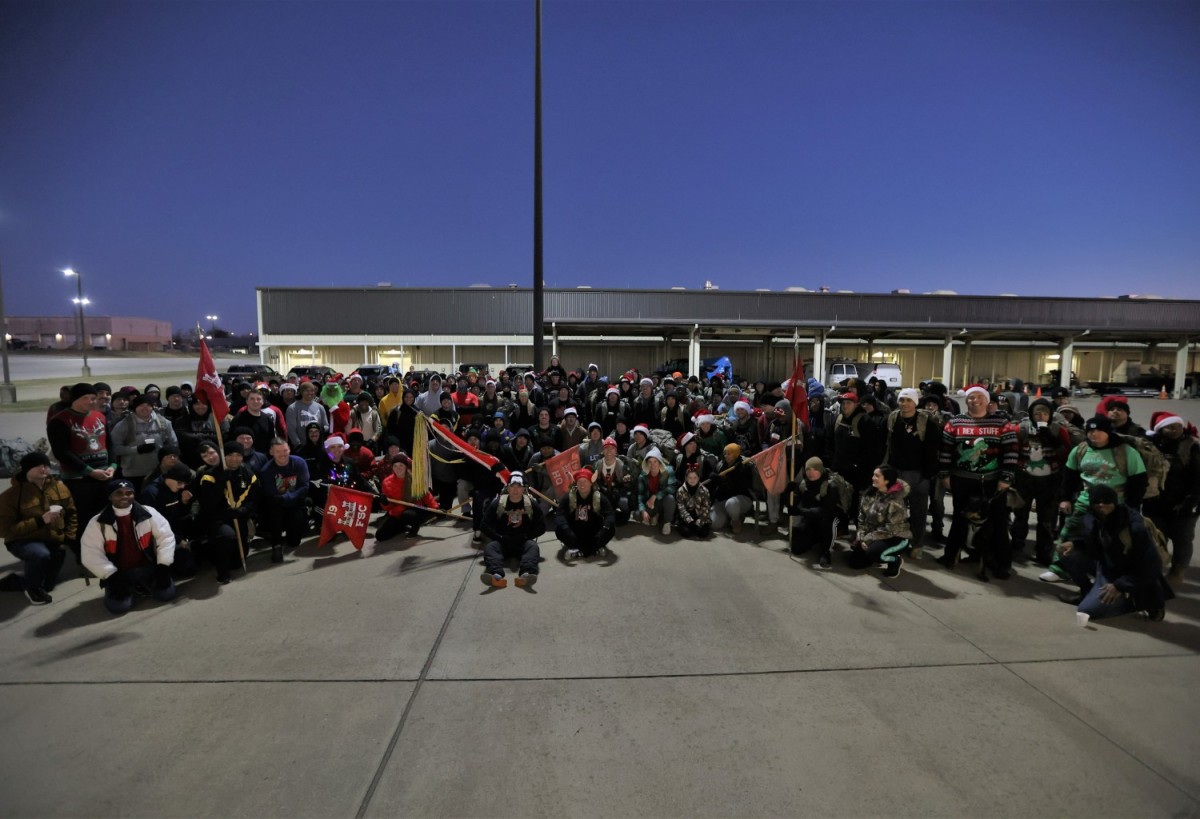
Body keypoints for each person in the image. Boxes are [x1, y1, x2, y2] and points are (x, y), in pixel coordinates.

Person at [1041, 415, 1148, 584]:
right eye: (1090, 430)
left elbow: (1139, 482)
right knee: (1068, 534)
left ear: (1108, 432)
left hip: (1115, 505)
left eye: (1098, 430)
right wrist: (1065, 499)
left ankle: (1111, 576)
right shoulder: (1081, 450)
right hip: (1086, 501)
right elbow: (1069, 477)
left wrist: (1131, 508)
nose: (1093, 434)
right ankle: (1059, 568)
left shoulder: (1126, 452)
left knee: (1112, 542)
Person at [937, 384, 1019, 581]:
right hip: (962, 480)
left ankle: (1002, 564)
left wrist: (1006, 478)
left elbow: (1011, 452)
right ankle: (951, 556)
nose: (975, 401)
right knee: (959, 520)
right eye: (971, 398)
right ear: (966, 401)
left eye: (979, 398)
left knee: (998, 524)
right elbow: (945, 451)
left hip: (992, 483)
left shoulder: (1001, 423)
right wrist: (945, 475)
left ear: (987, 401)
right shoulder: (955, 422)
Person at [1057, 485, 1173, 622]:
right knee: (1068, 554)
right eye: (1097, 501)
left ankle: (1142, 603)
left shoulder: (1133, 526)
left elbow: (1151, 567)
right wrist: (1074, 544)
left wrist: (1119, 586)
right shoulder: (1091, 517)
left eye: (1107, 501)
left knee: (1087, 611)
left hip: (1131, 574)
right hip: (1107, 567)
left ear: (1115, 502)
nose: (1102, 505)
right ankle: (1087, 592)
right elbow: (1092, 544)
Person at [80, 478, 177, 614]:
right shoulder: (97, 522)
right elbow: (90, 553)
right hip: (118, 572)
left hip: (148, 566)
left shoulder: (148, 512)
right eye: (118, 493)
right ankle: (129, 587)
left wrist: (163, 565)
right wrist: (110, 576)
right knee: (120, 607)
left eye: (129, 492)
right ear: (110, 496)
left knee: (166, 595)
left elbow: (166, 537)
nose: (125, 496)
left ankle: (140, 585)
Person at [46, 382, 115, 564]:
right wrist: (89, 471)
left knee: (104, 517)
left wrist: (113, 465)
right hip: (78, 480)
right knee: (82, 520)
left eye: (93, 398)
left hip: (104, 477)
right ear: (75, 399)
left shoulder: (100, 416)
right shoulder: (60, 420)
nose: (92, 401)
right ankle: (84, 557)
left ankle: (105, 551)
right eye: (87, 398)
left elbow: (109, 444)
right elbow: (62, 453)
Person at [0, 452, 78, 605]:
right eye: (37, 465)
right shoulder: (11, 495)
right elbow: (4, 530)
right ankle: (33, 589)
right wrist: (40, 521)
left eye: (45, 464)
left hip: (52, 537)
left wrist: (69, 536)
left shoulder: (59, 488)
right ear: (26, 470)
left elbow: (72, 513)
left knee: (48, 585)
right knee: (39, 554)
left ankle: (15, 581)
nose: (43, 468)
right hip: (22, 540)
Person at [1009, 398, 1074, 566]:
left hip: (1050, 481)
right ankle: (1016, 546)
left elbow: (1068, 455)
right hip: (1024, 479)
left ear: (1051, 414)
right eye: (1037, 413)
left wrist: (1052, 440)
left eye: (1045, 413)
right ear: (1031, 414)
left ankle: (1043, 551)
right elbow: (1012, 452)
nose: (1041, 416)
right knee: (1020, 516)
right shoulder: (1021, 429)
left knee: (1047, 519)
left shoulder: (1058, 430)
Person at [883, 387, 940, 557]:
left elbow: (933, 449)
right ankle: (898, 543)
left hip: (918, 475)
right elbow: (888, 445)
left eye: (908, 400)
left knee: (918, 513)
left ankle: (917, 545)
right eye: (902, 400)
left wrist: (928, 474)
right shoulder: (893, 418)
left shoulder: (926, 422)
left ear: (915, 402)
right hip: (897, 473)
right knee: (896, 511)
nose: (905, 404)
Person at [1143, 413, 1200, 582]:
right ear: (1160, 429)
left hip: (1184, 503)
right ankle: (1156, 570)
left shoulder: (1191, 447)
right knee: (1156, 538)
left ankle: (1177, 571)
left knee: (1182, 539)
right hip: (1155, 502)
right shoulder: (1150, 446)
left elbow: (1198, 478)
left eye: (1178, 426)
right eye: (1170, 427)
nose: (1175, 430)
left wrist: (1192, 501)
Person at [196, 442, 258, 583]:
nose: (234, 459)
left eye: (238, 455)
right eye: (230, 455)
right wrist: (220, 483)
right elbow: (208, 505)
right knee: (226, 537)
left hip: (238, 517)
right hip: (218, 519)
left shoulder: (247, 473)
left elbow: (254, 499)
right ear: (224, 456)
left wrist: (243, 511)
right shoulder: (209, 477)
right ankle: (222, 573)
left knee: (237, 561)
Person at [479, 472, 545, 587]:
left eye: (519, 487)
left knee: (533, 547)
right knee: (490, 547)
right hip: (502, 541)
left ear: (523, 489)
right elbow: (484, 525)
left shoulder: (531, 504)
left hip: (523, 541)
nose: (515, 490)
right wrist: (498, 537)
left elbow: (541, 526)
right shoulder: (498, 504)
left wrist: (525, 536)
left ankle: (526, 574)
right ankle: (496, 575)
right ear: (507, 488)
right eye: (512, 486)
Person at [781, 457, 847, 567]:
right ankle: (817, 538)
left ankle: (826, 552)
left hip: (830, 517)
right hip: (811, 516)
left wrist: (801, 511)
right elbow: (794, 504)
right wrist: (789, 494)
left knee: (826, 523)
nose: (810, 473)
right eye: (808, 470)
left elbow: (826, 511)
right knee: (797, 548)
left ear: (820, 470)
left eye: (814, 470)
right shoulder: (804, 484)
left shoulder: (831, 486)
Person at [847, 465, 912, 577]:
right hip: (875, 534)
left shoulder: (896, 501)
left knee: (875, 553)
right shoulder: (869, 494)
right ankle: (873, 552)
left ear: (887, 480)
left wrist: (868, 539)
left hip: (896, 537)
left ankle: (895, 560)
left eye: (877, 476)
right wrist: (861, 536)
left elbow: (891, 530)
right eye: (873, 475)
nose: (873, 477)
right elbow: (861, 518)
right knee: (855, 563)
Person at [257, 438, 311, 562]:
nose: (283, 454)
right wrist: (283, 499)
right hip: (276, 503)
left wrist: (288, 497)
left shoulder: (299, 463)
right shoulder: (266, 470)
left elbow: (304, 486)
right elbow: (271, 494)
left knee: (294, 542)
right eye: (278, 451)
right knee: (274, 515)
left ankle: (293, 527)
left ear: (289, 449)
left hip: (295, 501)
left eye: (285, 450)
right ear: (271, 452)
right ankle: (276, 544)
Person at [110, 394, 179, 490]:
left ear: (152, 407)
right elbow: (114, 448)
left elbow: (174, 444)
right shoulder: (124, 425)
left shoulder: (163, 423)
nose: (145, 408)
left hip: (158, 472)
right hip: (133, 474)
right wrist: (137, 449)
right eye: (141, 405)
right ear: (135, 408)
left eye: (148, 405)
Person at [555, 469, 615, 559]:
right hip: (574, 532)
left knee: (611, 530)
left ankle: (580, 550)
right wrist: (566, 529)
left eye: (585, 482)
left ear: (591, 483)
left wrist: (604, 528)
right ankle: (589, 549)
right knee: (559, 530)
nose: (582, 485)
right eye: (579, 482)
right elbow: (559, 515)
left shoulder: (599, 497)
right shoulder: (569, 497)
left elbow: (610, 514)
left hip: (594, 532)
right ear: (576, 484)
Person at [376, 454, 439, 541]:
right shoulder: (387, 482)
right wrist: (385, 503)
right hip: (397, 511)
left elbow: (426, 495)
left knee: (408, 515)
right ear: (392, 467)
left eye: (401, 465)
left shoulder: (414, 479)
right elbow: (388, 507)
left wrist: (435, 508)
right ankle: (401, 527)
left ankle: (415, 527)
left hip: (415, 507)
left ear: (406, 466)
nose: (398, 468)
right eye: (395, 466)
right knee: (380, 536)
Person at [709, 443, 754, 534]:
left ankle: (735, 520)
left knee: (731, 503)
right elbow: (714, 481)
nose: (726, 456)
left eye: (729, 453)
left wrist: (728, 479)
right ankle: (730, 516)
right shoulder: (721, 465)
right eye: (725, 453)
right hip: (723, 499)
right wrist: (714, 477)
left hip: (740, 499)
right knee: (715, 524)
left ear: (736, 453)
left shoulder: (744, 466)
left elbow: (742, 487)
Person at [636, 447, 677, 535]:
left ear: (659, 462)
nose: (652, 464)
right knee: (638, 515)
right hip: (651, 503)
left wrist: (655, 496)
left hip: (663, 500)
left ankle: (666, 522)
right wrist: (643, 511)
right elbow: (640, 495)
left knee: (670, 498)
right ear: (646, 464)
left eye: (655, 461)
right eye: (649, 462)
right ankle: (655, 514)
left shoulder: (668, 471)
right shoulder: (642, 476)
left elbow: (672, 487)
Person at [674, 466, 712, 539]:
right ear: (686, 478)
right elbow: (681, 508)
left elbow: (706, 508)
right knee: (687, 532)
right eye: (690, 477)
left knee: (703, 533)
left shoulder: (705, 491)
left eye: (695, 477)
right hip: (686, 516)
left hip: (700, 515)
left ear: (698, 478)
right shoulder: (680, 490)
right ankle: (684, 525)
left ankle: (697, 527)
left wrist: (699, 522)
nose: (692, 480)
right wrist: (690, 521)